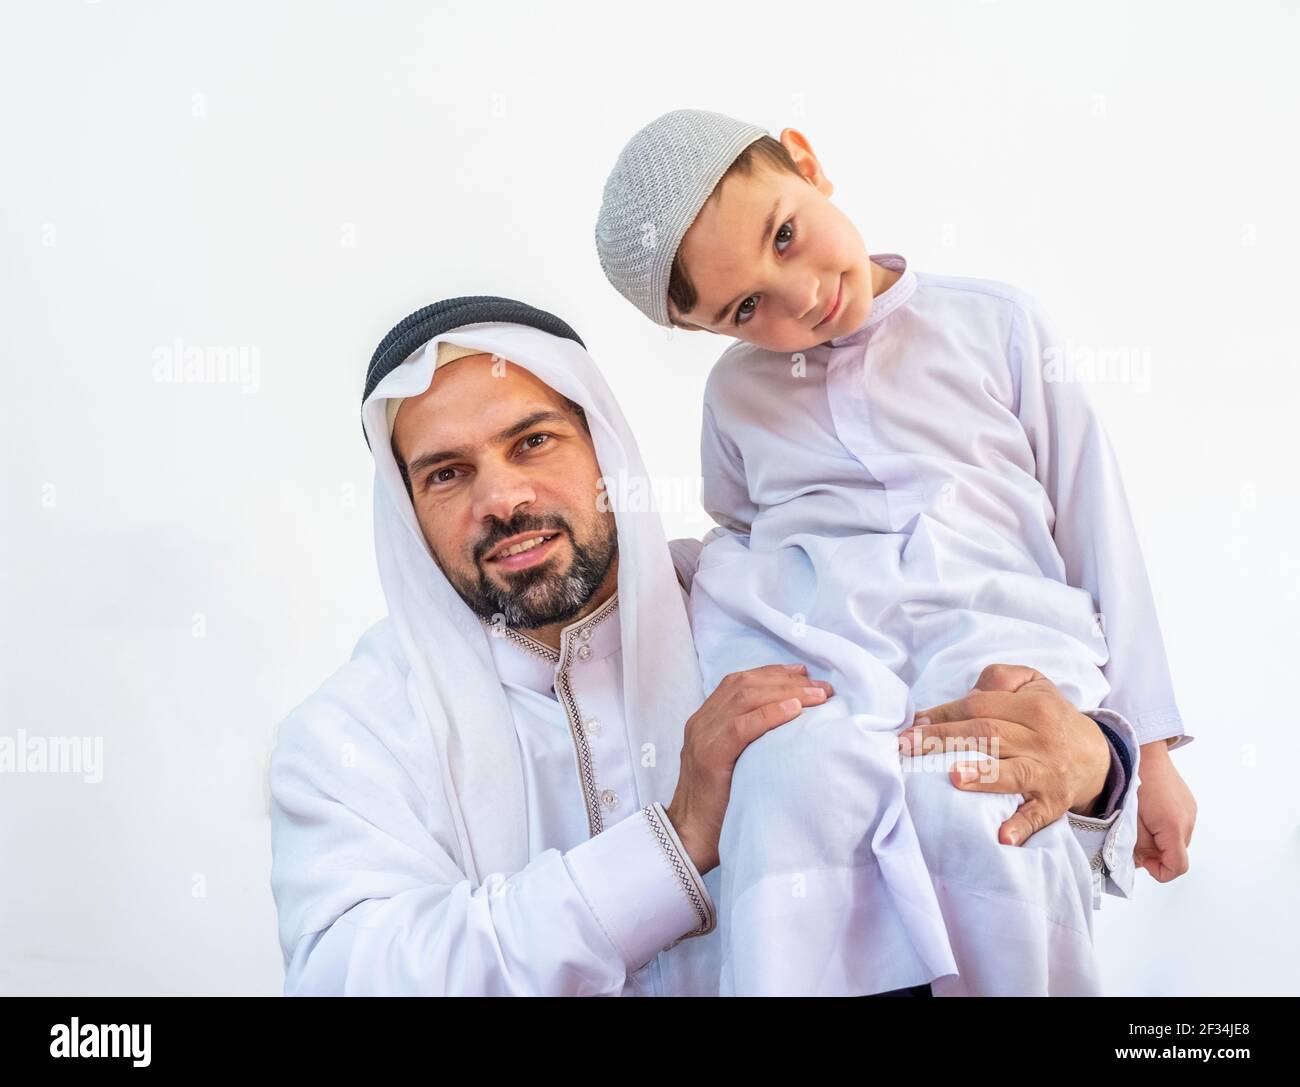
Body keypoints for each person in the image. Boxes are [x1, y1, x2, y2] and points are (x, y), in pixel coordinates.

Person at [268, 296, 1136, 995]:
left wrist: (1098, 764)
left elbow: (960, 760)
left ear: (603, 452)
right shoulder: (355, 734)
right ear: (409, 511)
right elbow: (356, 974)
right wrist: (674, 843)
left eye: (532, 440)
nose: (503, 497)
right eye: (447, 473)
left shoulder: (769, 597)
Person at [595, 108, 1195, 994]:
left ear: (807, 161)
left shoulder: (996, 325)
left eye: (786, 235)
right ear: (709, 332)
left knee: (984, 792)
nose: (797, 296)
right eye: (747, 307)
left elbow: (1094, 519)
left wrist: (1155, 754)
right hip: (839, 652)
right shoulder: (735, 400)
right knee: (794, 790)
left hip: (998, 633)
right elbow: (743, 542)